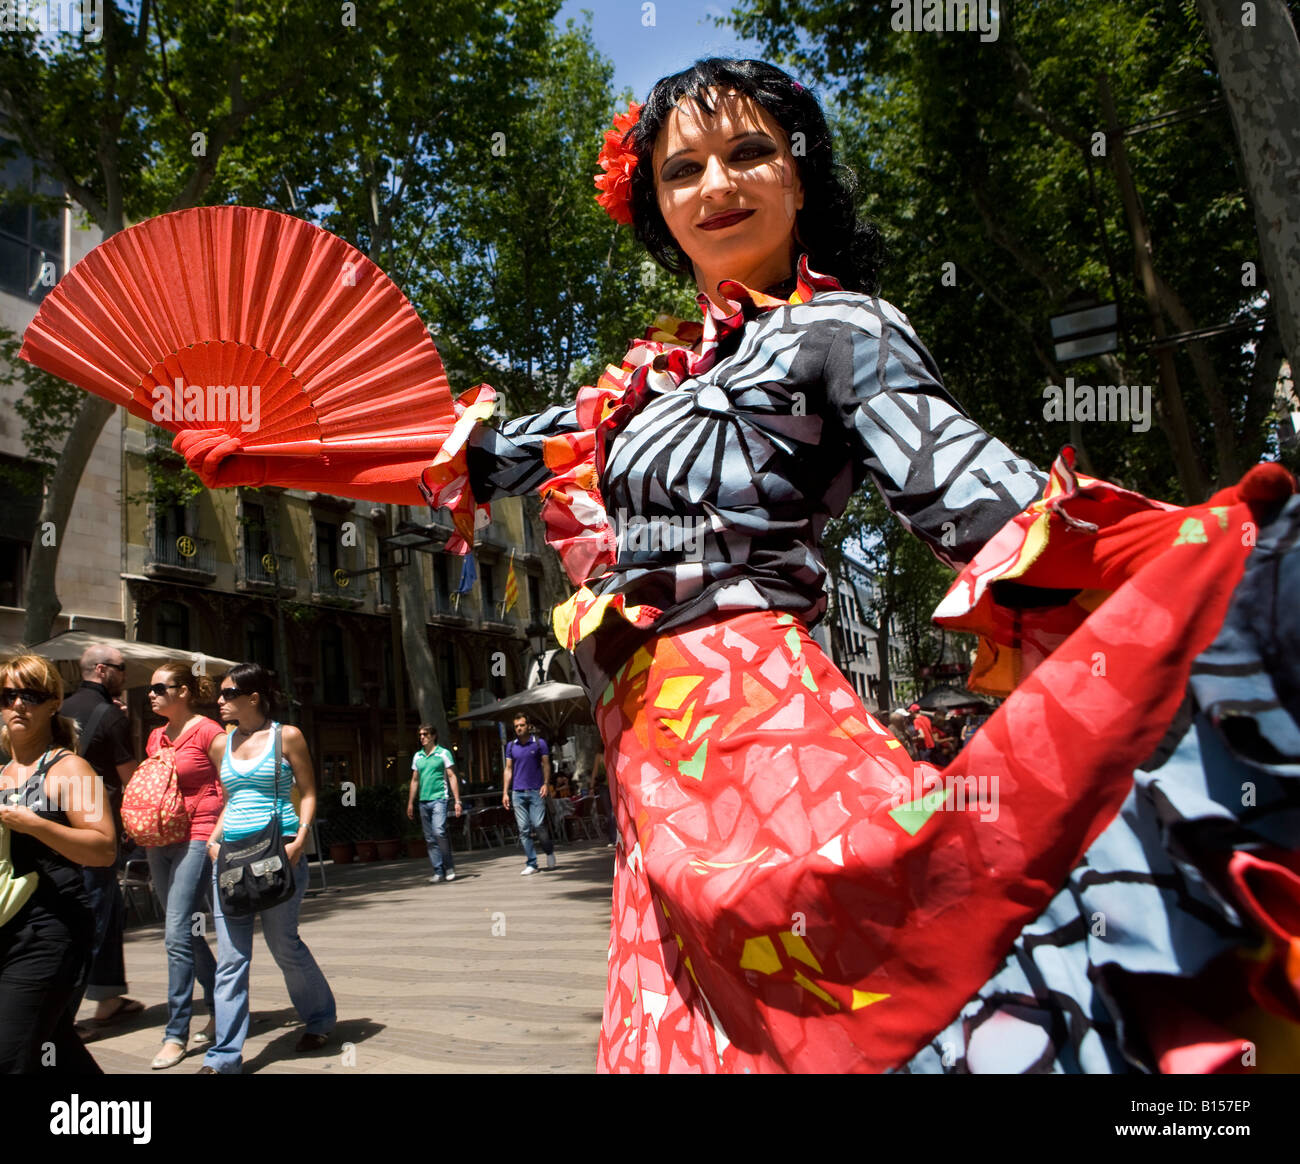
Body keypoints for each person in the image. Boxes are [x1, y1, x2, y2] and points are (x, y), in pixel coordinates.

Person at [165, 58, 1299, 1073]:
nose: (717, 185)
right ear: (658, 207)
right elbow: (470, 462)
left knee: (861, 977)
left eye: (750, 152)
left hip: (762, 726)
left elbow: (975, 502)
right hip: (647, 758)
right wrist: (263, 454)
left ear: (801, 178)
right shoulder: (640, 386)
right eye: (684, 168)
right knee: (690, 1030)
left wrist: (1210, 560)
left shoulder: (845, 330)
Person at [201, 663, 335, 1073]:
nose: (219, 702)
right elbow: (232, 800)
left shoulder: (287, 737)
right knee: (231, 959)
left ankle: (320, 1020)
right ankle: (224, 1058)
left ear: (253, 697)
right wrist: (213, 838)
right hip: (230, 860)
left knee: (284, 947)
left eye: (227, 694)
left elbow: (309, 792)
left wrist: (302, 839)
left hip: (279, 857)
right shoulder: (221, 744)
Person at [0, 654, 116, 1073]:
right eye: (7, 695)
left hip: (50, 930)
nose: (17, 705)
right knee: (53, 1047)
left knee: (10, 1055)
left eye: (29, 695)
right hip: (5, 924)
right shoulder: (2, 773)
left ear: (53, 703)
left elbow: (104, 849)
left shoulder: (69, 769)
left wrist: (34, 824)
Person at [142, 663, 224, 1069]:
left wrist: (219, 835)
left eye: (160, 687)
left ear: (184, 692)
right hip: (160, 837)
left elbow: (232, 783)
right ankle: (217, 1006)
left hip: (200, 832)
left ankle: (176, 1033)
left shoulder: (209, 731)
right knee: (186, 933)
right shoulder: (155, 736)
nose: (151, 694)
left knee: (175, 931)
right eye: (150, 688)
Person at [59, 644, 141, 1033]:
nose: (126, 677)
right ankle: (60, 1015)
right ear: (105, 671)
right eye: (123, 669)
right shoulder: (110, 715)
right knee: (91, 916)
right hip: (96, 827)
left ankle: (109, 997)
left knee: (105, 910)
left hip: (55, 827)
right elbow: (130, 778)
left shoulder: (58, 708)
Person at [407, 724, 461, 883]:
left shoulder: (443, 753)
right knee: (430, 838)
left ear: (433, 736)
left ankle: (449, 866)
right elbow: (414, 780)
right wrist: (410, 802)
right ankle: (438, 871)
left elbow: (452, 776)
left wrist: (457, 800)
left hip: (439, 799)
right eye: (420, 735)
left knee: (439, 832)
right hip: (423, 801)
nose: (422, 737)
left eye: (425, 734)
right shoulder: (418, 756)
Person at [502, 715, 554, 875]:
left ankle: (549, 851)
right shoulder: (511, 746)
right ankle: (532, 863)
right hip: (517, 792)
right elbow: (508, 769)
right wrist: (505, 792)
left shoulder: (539, 743)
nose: (519, 728)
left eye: (522, 725)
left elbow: (546, 764)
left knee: (538, 824)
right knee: (523, 829)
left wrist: (546, 783)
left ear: (528, 726)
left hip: (536, 790)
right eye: (516, 726)